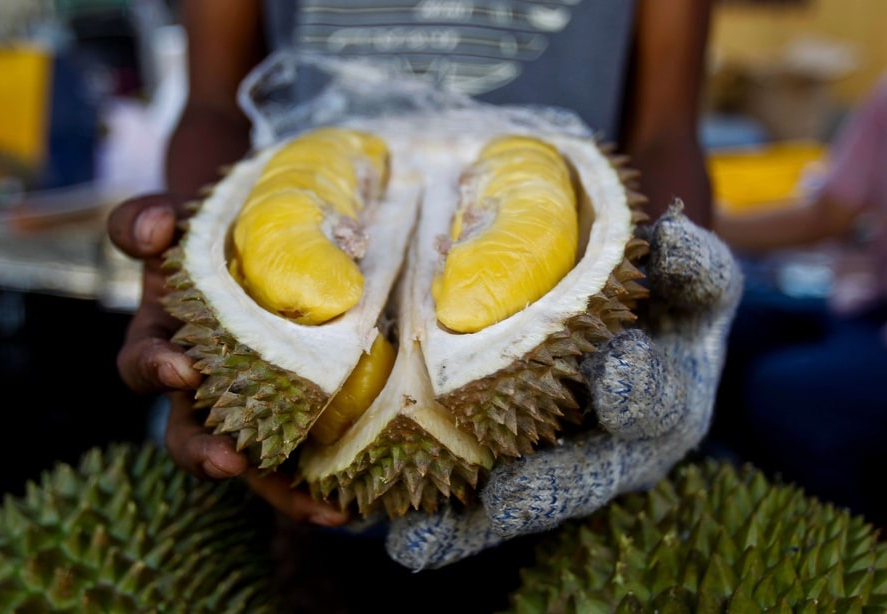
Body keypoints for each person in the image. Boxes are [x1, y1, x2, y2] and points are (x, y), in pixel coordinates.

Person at [106, 1, 717, 610]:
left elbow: (667, 129)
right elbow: (214, 102)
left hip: (565, 421)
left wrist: (672, 313)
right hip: (296, 488)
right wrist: (190, 258)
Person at [710, 73, 887, 530]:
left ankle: (853, 543)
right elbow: (829, 213)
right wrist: (694, 223)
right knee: (719, 327)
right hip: (863, 302)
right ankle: (732, 503)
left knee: (785, 390)